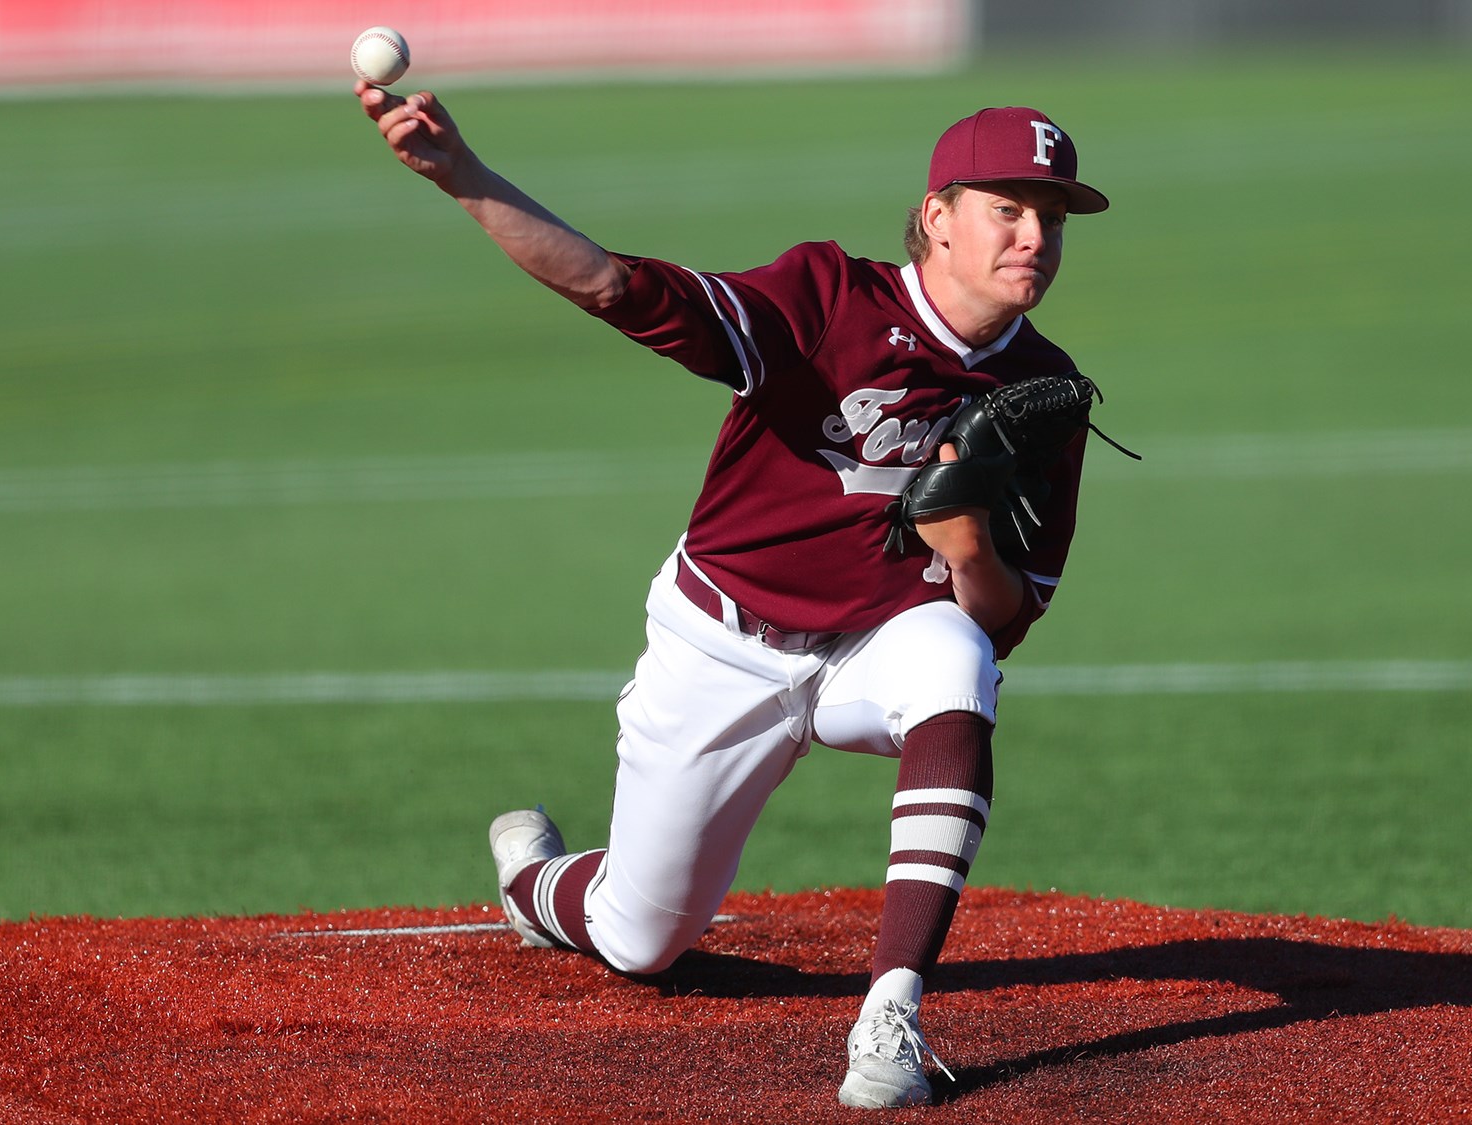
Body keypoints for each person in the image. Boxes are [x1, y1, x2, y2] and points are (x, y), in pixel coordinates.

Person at [357, 79, 1110, 1109]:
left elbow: (1006, 617)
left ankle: (890, 1010)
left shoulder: (1043, 395)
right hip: (721, 642)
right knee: (641, 939)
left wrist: (968, 546)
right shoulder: (829, 299)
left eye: (1052, 218)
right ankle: (535, 881)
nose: (1034, 237)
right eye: (1007, 209)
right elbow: (623, 291)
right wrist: (465, 178)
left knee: (956, 660)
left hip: (871, 650)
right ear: (937, 217)